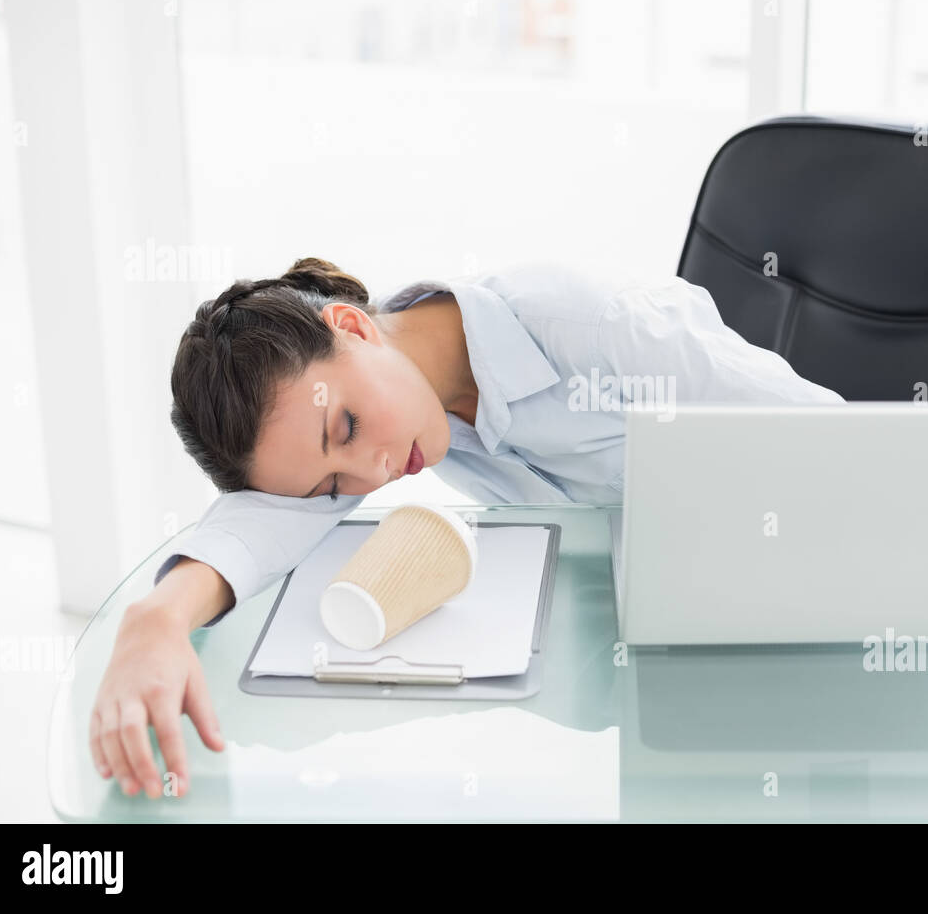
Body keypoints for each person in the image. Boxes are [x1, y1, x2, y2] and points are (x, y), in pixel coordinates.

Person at [90, 257, 845, 798]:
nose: (375, 471)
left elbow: (834, 447)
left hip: (808, 625)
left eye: (347, 427)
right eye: (334, 484)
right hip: (640, 686)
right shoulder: (382, 409)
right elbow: (263, 524)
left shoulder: (593, 325)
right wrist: (157, 617)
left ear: (352, 326)